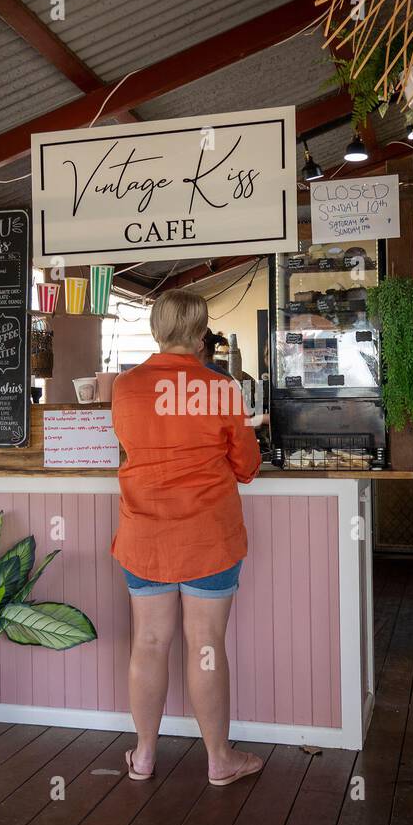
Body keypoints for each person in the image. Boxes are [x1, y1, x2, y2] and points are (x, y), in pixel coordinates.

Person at [110, 289, 264, 787]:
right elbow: (246, 467)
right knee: (205, 644)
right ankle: (219, 760)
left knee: (149, 642)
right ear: (201, 335)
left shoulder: (125, 388)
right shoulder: (221, 390)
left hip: (144, 534)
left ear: (157, 331)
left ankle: (144, 755)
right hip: (209, 537)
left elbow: (132, 447)